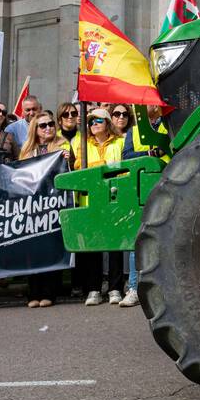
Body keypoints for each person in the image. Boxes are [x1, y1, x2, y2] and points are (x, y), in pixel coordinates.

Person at [69, 107, 125, 306]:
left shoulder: (121, 142)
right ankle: (93, 289)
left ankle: (115, 288)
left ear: (108, 123)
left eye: (98, 121)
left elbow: (122, 169)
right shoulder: (80, 144)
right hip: (90, 199)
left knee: (114, 245)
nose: (94, 125)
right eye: (91, 122)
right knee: (94, 246)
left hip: (113, 198)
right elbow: (76, 168)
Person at [117, 105, 170, 307]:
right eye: (148, 101)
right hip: (144, 190)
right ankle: (134, 288)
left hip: (168, 187)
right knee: (138, 239)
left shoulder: (170, 124)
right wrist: (149, 152)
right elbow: (127, 158)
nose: (153, 104)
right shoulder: (135, 131)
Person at [18, 111, 72, 308]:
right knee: (32, 251)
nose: (48, 127)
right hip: (32, 208)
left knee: (51, 248)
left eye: (50, 124)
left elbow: (71, 172)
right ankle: (33, 292)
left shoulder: (62, 146)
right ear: (35, 129)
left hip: (54, 205)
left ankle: (49, 292)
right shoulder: (26, 151)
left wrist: (69, 158)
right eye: (43, 125)